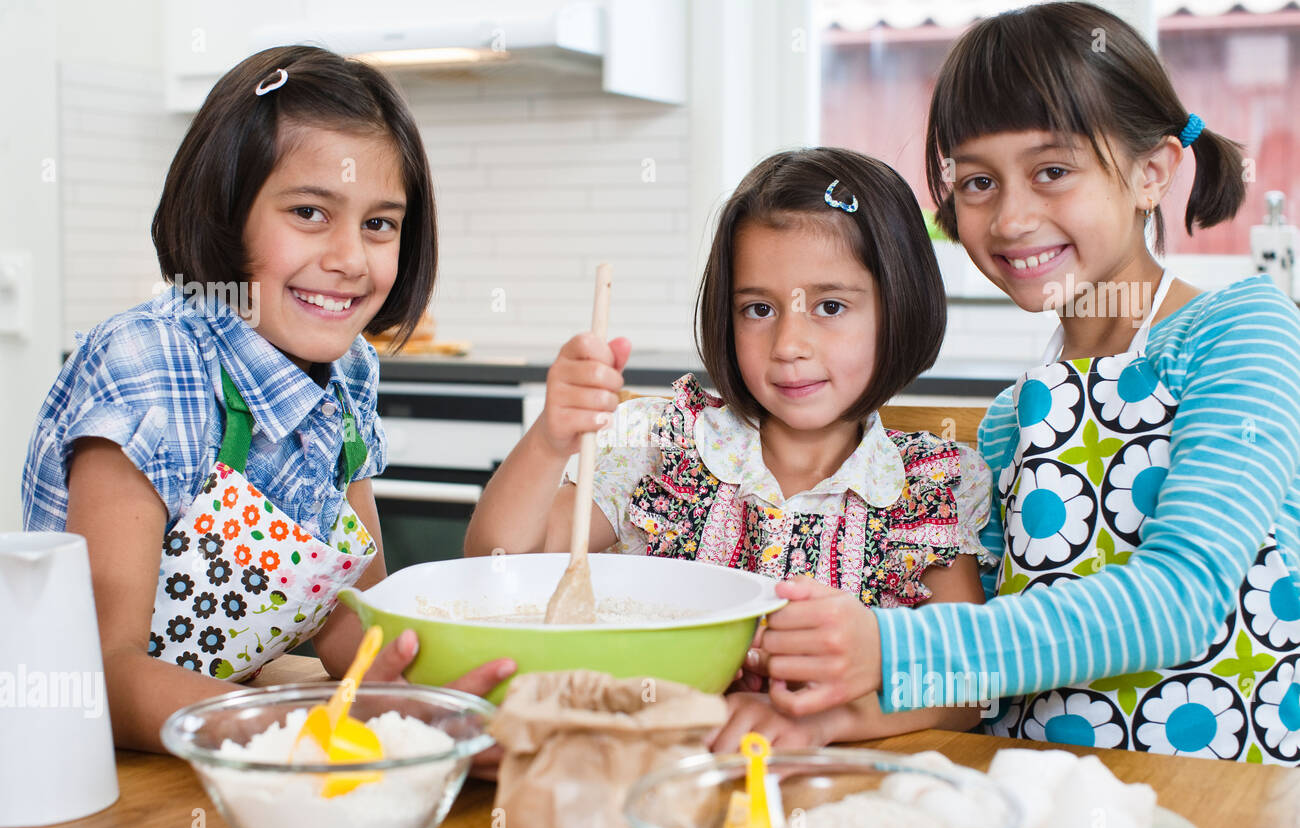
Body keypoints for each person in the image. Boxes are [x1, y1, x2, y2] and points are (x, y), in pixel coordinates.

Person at [753, 2, 1300, 765]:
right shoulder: (1012, 418)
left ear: (1153, 171)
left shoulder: (1241, 332)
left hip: (1222, 804)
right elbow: (986, 673)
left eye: (1052, 171)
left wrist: (886, 643)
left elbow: (1182, 598)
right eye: (977, 182)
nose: (1010, 218)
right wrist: (833, 721)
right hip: (1036, 801)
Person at [22, 46, 513, 752]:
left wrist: (427, 708)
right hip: (93, 765)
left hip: (242, 751)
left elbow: (351, 616)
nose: (350, 257)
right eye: (311, 212)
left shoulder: (350, 372)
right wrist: (309, 730)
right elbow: (103, 669)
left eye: (380, 224)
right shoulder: (147, 364)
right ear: (226, 213)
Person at [465, 146, 996, 751]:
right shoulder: (663, 445)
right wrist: (551, 439)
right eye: (758, 309)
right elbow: (500, 556)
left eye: (830, 306)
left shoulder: (930, 484)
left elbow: (965, 688)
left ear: (899, 307)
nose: (788, 343)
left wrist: (821, 724)